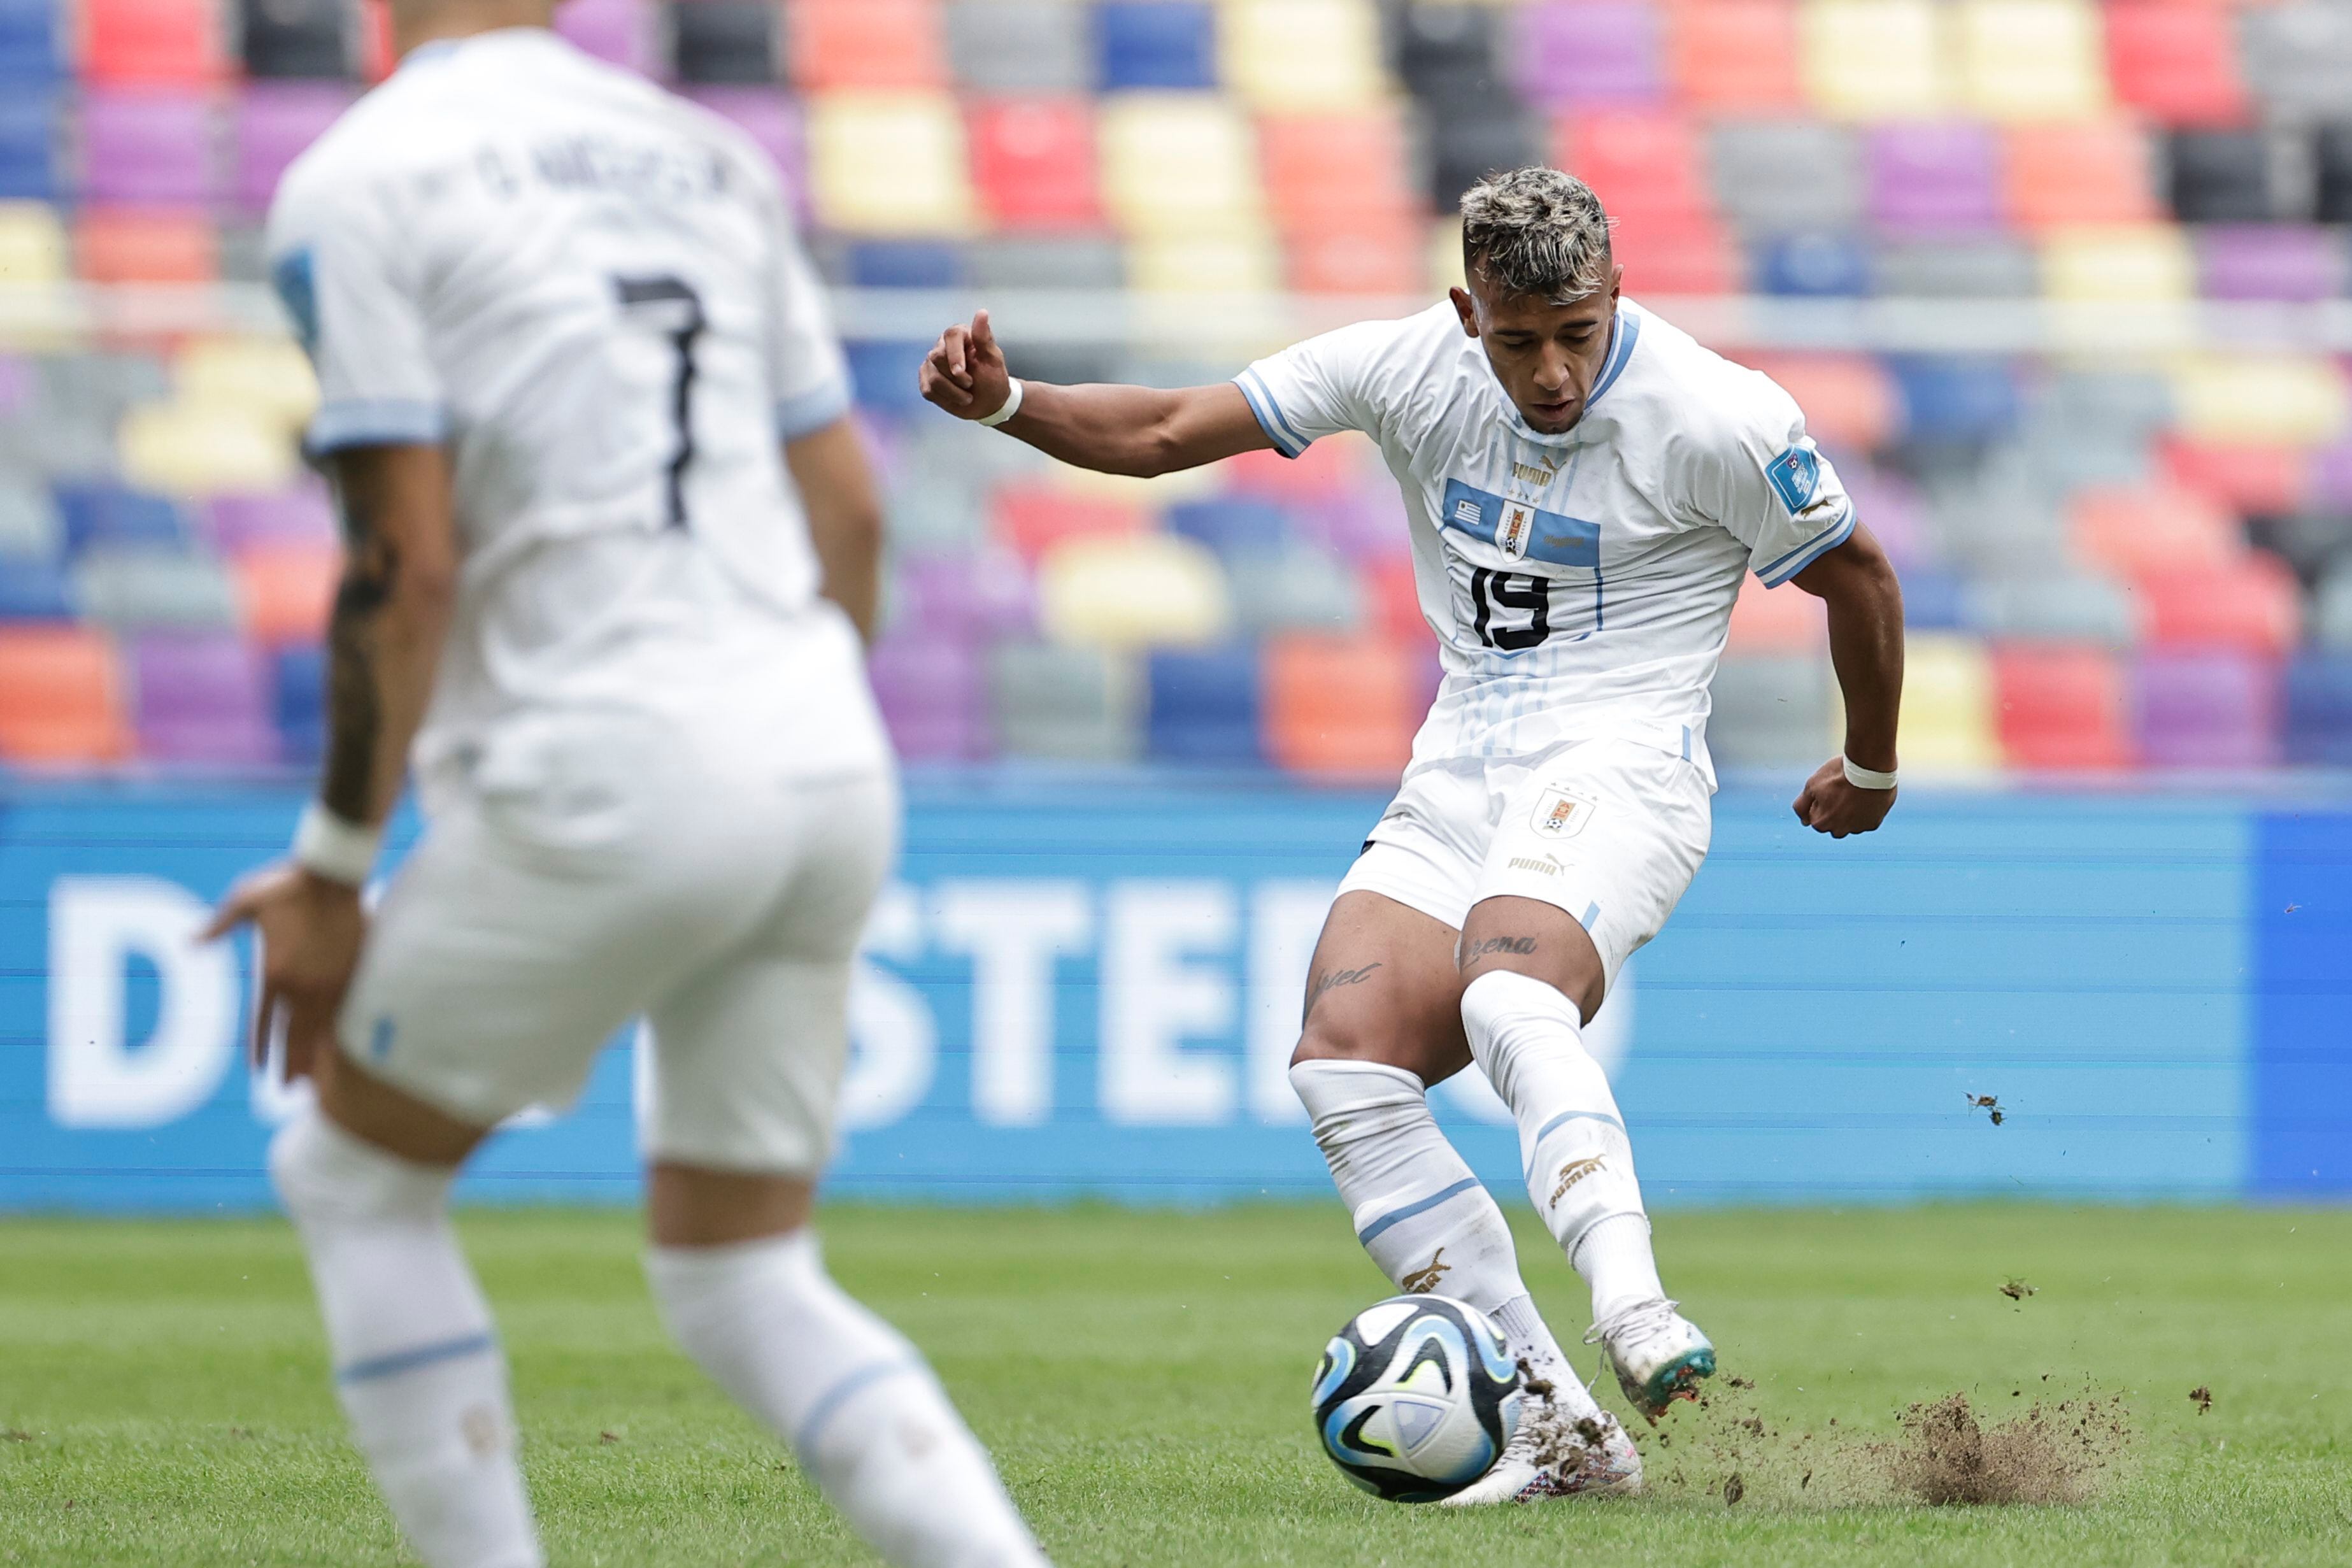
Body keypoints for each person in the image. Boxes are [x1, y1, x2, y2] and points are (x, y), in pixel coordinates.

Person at [202, 4, 1054, 1565]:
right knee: (742, 1274)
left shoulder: (362, 174)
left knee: (350, 1175)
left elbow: (405, 567)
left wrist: (330, 870)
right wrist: (778, 719)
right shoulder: (708, 160)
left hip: (609, 759)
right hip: (818, 744)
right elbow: (850, 515)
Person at [918, 166, 1905, 1505]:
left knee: (1507, 986)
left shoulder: (1718, 414)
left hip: (1624, 763)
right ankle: (1569, 1442)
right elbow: (1158, 431)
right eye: (1518, 340)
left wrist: (1871, 759)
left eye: (1578, 332)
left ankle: (1633, 1312)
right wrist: (1011, 405)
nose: (1551, 372)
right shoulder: (1404, 368)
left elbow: (1855, 573)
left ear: (1618, 298)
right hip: (1461, 768)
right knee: (1341, 1066)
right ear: (1465, 311)